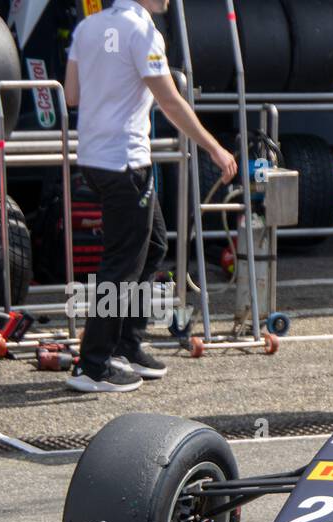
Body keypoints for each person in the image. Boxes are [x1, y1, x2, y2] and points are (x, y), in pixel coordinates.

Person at [64, 0, 236, 393]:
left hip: (94, 159)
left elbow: (72, 95)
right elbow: (170, 100)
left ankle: (125, 344)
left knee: (154, 242)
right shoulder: (143, 30)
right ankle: (93, 364)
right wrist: (214, 148)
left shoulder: (88, 28)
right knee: (122, 263)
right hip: (125, 163)